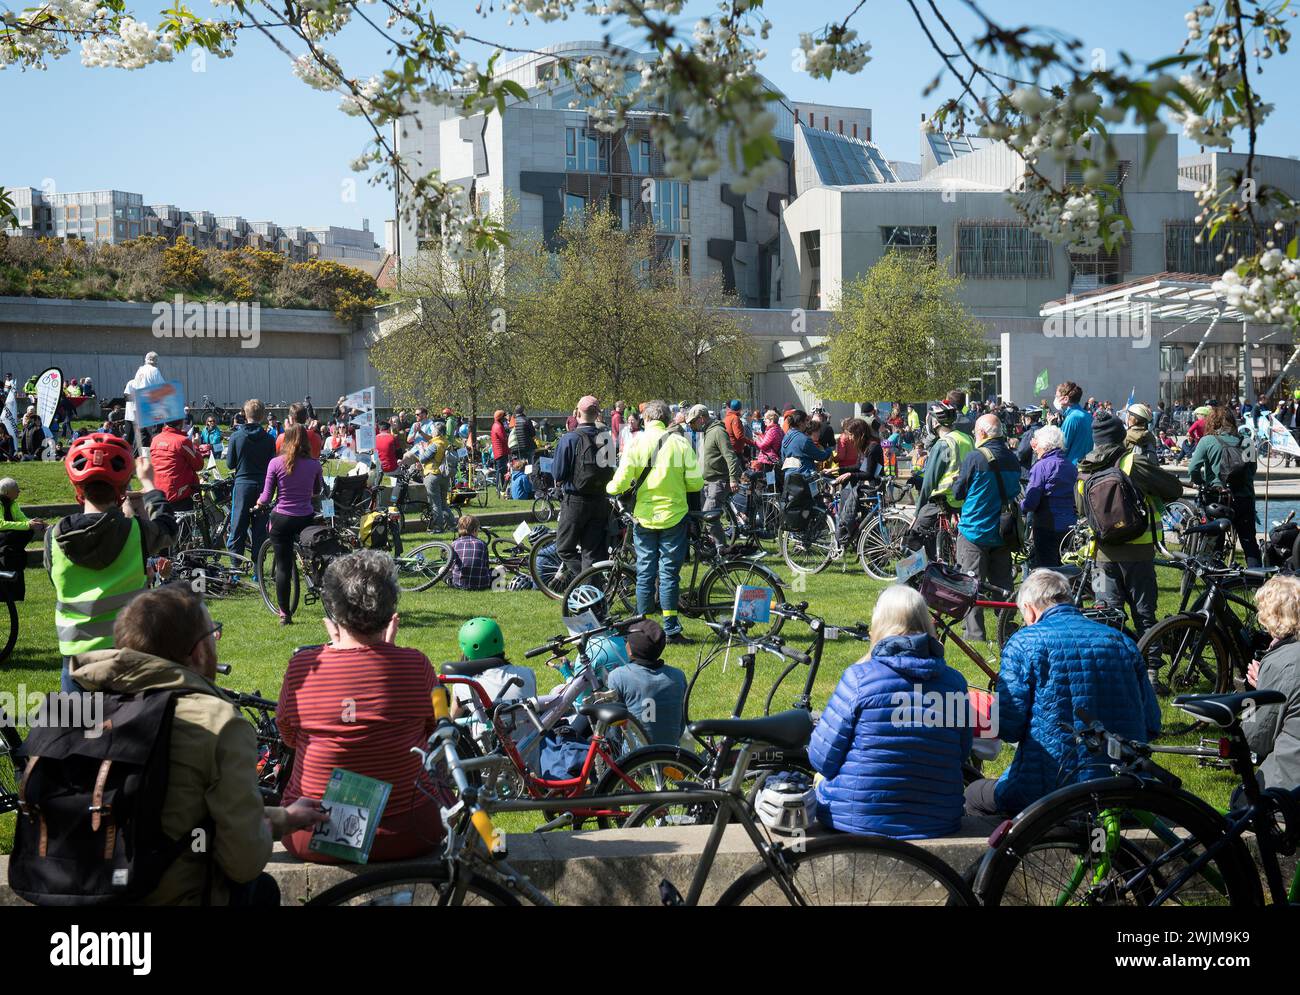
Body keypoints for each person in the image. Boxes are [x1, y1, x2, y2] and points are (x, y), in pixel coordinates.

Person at [65, 586, 327, 904]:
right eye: (213, 634)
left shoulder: (75, 709)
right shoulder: (217, 722)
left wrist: (284, 817)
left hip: (76, 891)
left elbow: (171, 811)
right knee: (262, 891)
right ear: (199, 652)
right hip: (168, 897)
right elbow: (242, 862)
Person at [278, 550, 446, 862]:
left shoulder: (303, 666)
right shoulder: (416, 664)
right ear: (390, 606)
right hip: (411, 832)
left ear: (333, 608)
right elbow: (431, 727)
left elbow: (288, 735)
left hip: (312, 832)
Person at [965, 570, 1162, 818]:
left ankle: (1016, 855)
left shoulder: (1024, 642)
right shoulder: (1121, 641)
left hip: (1047, 790)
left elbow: (1008, 727)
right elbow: (1152, 724)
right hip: (1124, 788)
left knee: (973, 795)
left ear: (1029, 609)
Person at [810, 585, 971, 838]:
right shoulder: (955, 683)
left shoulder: (859, 678)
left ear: (880, 624)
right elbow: (960, 754)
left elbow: (821, 760)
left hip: (859, 819)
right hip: (938, 819)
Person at [48, 434, 177, 692]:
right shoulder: (135, 532)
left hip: (75, 660)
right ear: (120, 493)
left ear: (78, 490)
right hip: (125, 653)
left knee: (79, 730)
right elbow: (168, 529)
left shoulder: (54, 537)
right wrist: (150, 483)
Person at [606, 399, 703, 642]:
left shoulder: (635, 442)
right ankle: (671, 628)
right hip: (674, 515)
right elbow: (695, 483)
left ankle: (642, 627)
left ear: (646, 419)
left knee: (645, 571)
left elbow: (619, 482)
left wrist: (609, 487)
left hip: (644, 518)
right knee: (669, 573)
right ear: (668, 419)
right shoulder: (680, 443)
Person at [1077, 411, 1180, 639]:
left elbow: (1082, 509)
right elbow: (1173, 489)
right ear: (1120, 435)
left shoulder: (1083, 467)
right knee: (1145, 616)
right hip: (1138, 553)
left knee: (1104, 617)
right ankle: (1151, 668)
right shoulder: (1132, 461)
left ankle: (1113, 667)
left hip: (1101, 556)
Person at [950, 413, 1021, 642]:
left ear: (980, 433)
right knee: (1003, 585)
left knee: (971, 583)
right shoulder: (1012, 458)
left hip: (975, 529)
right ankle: (1007, 629)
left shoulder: (975, 457)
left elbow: (958, 491)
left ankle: (975, 634)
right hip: (1002, 530)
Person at [255, 423, 324, 624]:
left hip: (282, 519)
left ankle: (285, 613)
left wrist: (258, 503)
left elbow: (267, 496)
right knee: (312, 555)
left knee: (284, 566)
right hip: (305, 518)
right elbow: (316, 492)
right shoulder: (314, 464)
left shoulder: (275, 464)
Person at [1243, 575, 1300, 792]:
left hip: (1289, 785)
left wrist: (1251, 696)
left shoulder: (1279, 663)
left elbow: (1254, 739)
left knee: (1240, 800)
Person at [1188, 405, 1262, 568]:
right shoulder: (1247, 441)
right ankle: (1257, 582)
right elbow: (1253, 469)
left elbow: (1193, 468)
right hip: (1244, 497)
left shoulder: (1207, 441)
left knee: (1216, 542)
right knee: (1249, 543)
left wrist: (1201, 483)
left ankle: (1216, 582)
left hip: (1218, 497)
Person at [552, 395, 615, 580]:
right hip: (600, 501)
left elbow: (558, 473)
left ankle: (584, 582)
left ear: (577, 412)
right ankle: (594, 594)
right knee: (591, 552)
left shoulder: (569, 438)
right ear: (597, 414)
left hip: (575, 500)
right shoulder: (606, 438)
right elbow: (611, 468)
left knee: (564, 548)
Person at [605, 618, 687, 747]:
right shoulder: (678, 676)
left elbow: (614, 730)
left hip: (636, 761)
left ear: (631, 650)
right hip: (671, 756)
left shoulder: (618, 676)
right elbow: (681, 724)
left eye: (627, 641)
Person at [906, 402, 973, 557]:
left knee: (914, 535)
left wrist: (917, 512)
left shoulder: (943, 444)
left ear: (934, 422)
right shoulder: (968, 439)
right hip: (964, 501)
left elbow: (929, 482)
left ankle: (913, 578)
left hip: (944, 500)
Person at [1019, 424, 1076, 569]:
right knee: (1063, 568)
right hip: (1068, 525)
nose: (1035, 447)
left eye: (1036, 443)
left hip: (1047, 524)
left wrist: (1020, 507)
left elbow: (1031, 501)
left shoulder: (1041, 466)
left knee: (1047, 569)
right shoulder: (1070, 465)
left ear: (1045, 444)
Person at [225, 399, 275, 562]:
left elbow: (230, 463)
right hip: (262, 485)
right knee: (260, 529)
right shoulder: (268, 439)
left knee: (238, 526)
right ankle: (257, 568)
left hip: (242, 485)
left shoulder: (236, 436)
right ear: (262, 416)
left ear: (245, 415)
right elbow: (271, 464)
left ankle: (235, 568)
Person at [689, 403, 742, 549]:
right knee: (707, 516)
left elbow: (730, 456)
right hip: (707, 482)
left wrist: (733, 479)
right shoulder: (706, 432)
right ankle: (712, 549)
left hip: (718, 481)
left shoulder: (717, 431)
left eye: (693, 422)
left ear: (701, 418)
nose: (692, 426)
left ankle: (722, 549)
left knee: (709, 515)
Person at [0, 477, 44, 605]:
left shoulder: (13, 504)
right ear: (7, 492)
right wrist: (26, 525)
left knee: (28, 530)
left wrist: (33, 522)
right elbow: (0, 524)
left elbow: (22, 519)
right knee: (24, 529)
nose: (19, 492)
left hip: (7, 536)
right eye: (16, 490)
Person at [147, 418, 203, 511]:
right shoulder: (183, 441)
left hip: (157, 492)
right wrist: (196, 446)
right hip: (178, 494)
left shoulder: (155, 440)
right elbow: (199, 465)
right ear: (181, 422)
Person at [123, 351, 164, 446]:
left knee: (143, 437)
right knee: (155, 435)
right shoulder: (154, 371)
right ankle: (156, 456)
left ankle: (143, 458)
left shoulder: (140, 370)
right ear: (156, 361)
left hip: (138, 408)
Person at [419, 421, 453, 530]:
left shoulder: (435, 444)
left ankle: (438, 527)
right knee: (443, 504)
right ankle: (452, 525)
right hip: (445, 475)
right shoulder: (447, 443)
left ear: (437, 433)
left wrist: (422, 450)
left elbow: (423, 459)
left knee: (435, 504)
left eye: (433, 430)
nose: (432, 432)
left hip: (433, 474)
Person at [779, 409, 832, 477]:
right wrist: (828, 450)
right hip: (803, 478)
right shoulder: (804, 440)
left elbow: (783, 457)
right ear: (800, 423)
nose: (807, 423)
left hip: (788, 477)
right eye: (806, 420)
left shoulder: (786, 436)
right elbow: (821, 456)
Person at [449, 514, 493, 590]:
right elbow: (486, 565)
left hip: (459, 584)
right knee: (501, 568)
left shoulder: (454, 544)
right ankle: (498, 587)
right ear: (475, 530)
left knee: (441, 570)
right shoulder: (482, 544)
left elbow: (450, 566)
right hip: (482, 584)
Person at [1055, 381, 1093, 465]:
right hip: (1087, 464)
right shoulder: (1088, 415)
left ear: (1065, 399)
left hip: (1073, 467)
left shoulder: (1072, 418)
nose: (1055, 399)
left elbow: (1062, 447)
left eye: (1057, 396)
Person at [490, 409, 510, 495]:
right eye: (503, 417)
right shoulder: (498, 426)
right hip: (501, 451)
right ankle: (499, 488)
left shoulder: (496, 425)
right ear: (500, 418)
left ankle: (500, 488)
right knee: (501, 470)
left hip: (499, 451)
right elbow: (504, 438)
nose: (505, 419)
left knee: (501, 470)